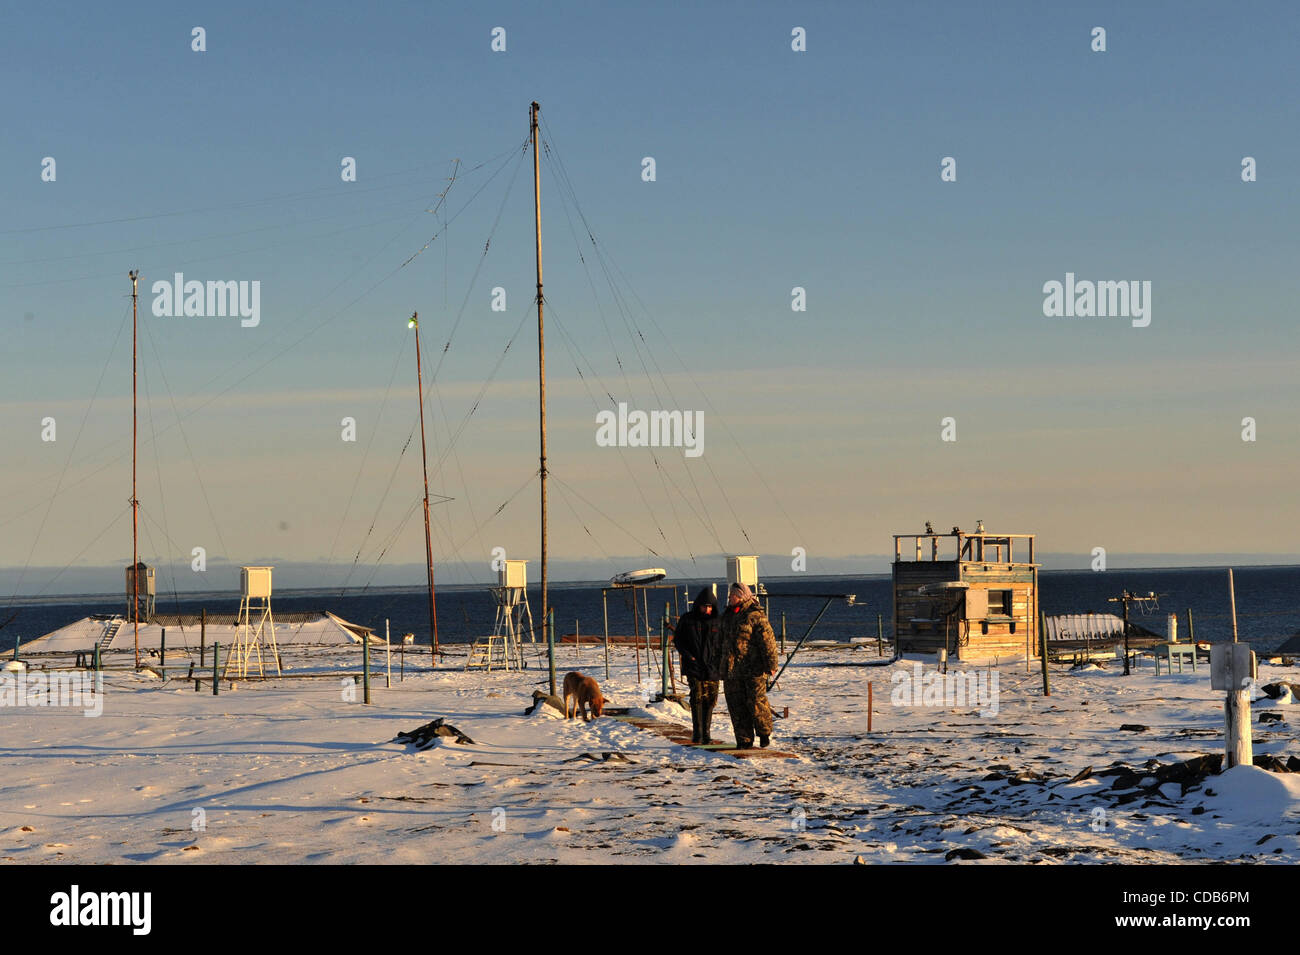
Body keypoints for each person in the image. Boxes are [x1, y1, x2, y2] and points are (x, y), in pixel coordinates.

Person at [719, 582, 778, 749]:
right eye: (730, 595)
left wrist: (771, 664)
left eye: (733, 595)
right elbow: (719, 642)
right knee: (736, 705)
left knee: (756, 702)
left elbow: (768, 642)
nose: (730, 598)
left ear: (741, 596)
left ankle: (764, 732)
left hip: (754, 669)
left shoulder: (755, 615)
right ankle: (744, 739)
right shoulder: (727, 616)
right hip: (731, 670)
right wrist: (716, 663)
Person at [672, 587, 721, 744]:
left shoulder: (718, 621)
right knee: (697, 697)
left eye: (709, 606)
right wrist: (688, 656)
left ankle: (706, 734)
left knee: (711, 699)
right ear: (698, 605)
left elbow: (723, 642)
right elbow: (678, 640)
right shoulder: (688, 620)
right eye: (704, 606)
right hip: (694, 665)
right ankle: (697, 733)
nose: (707, 609)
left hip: (712, 667)